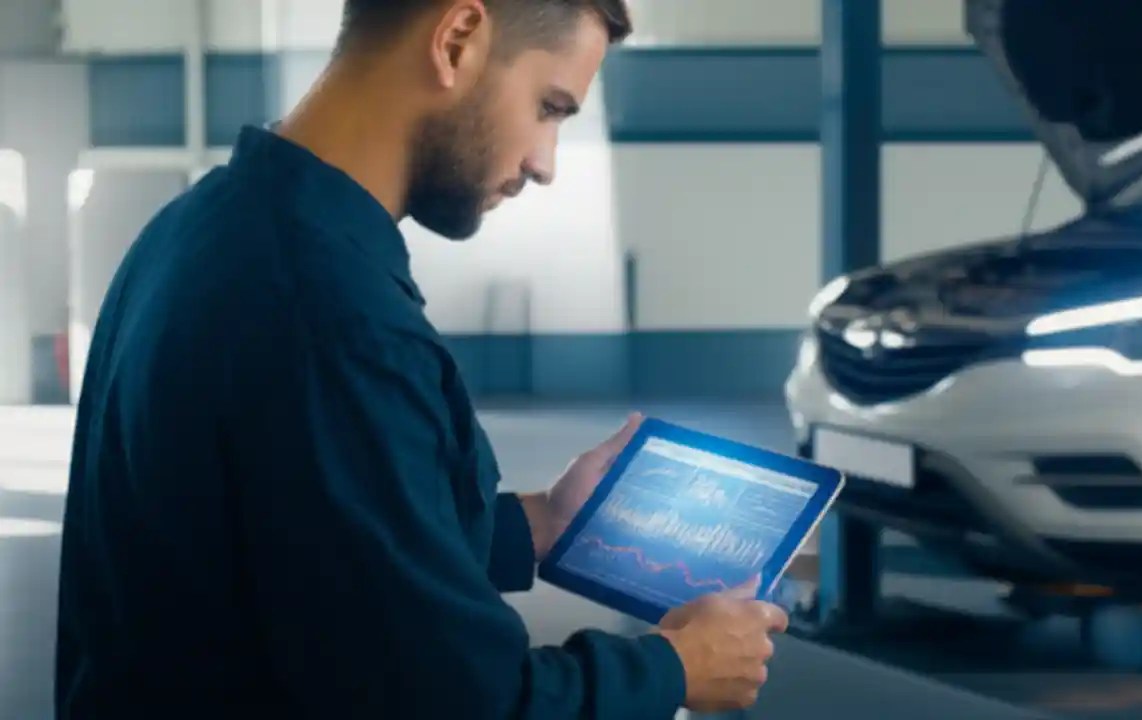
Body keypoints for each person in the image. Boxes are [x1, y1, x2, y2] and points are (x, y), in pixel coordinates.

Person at [54, 0, 788, 717]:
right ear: (458, 39)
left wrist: (537, 525)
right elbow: (460, 702)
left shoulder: (203, 226)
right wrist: (674, 667)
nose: (545, 163)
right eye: (549, 107)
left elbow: (307, 550)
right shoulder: (332, 314)